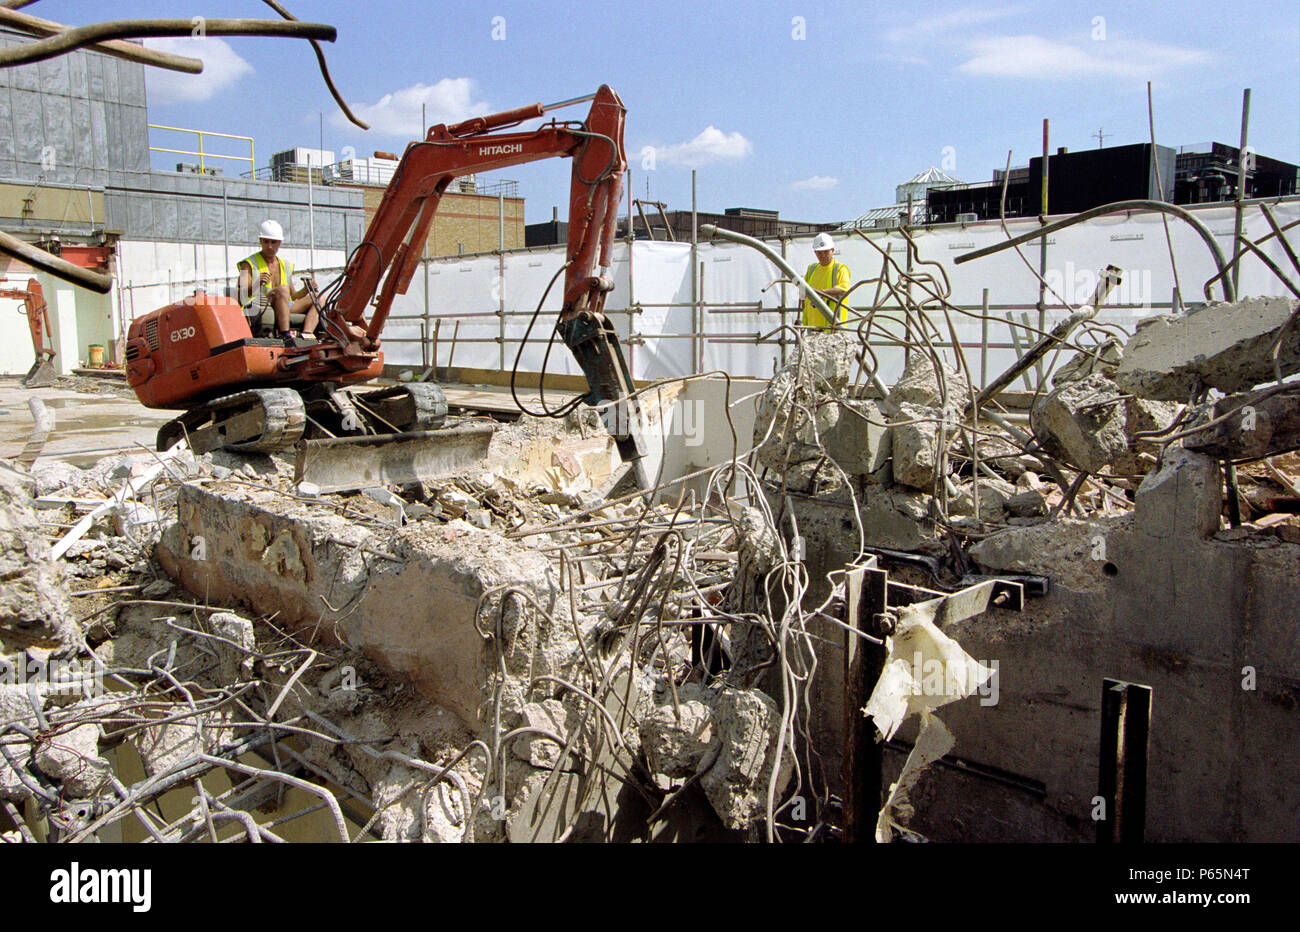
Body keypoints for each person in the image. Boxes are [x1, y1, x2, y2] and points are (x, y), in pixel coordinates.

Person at [237, 220, 319, 342]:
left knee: (318, 297)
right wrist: (256, 284)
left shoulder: (285, 265)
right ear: (261, 241)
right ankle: (285, 334)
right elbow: (240, 294)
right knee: (282, 289)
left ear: (279, 242)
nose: (269, 246)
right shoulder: (248, 264)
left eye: (273, 242)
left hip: (284, 304)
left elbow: (292, 296)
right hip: (262, 305)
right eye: (266, 241)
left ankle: (306, 335)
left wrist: (305, 290)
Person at [801, 232, 851, 330]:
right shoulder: (812, 269)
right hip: (812, 324)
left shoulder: (840, 269)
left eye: (826, 251)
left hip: (833, 327)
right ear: (815, 252)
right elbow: (802, 287)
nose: (822, 255)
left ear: (832, 250)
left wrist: (823, 293)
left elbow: (844, 289)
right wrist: (803, 301)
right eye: (819, 252)